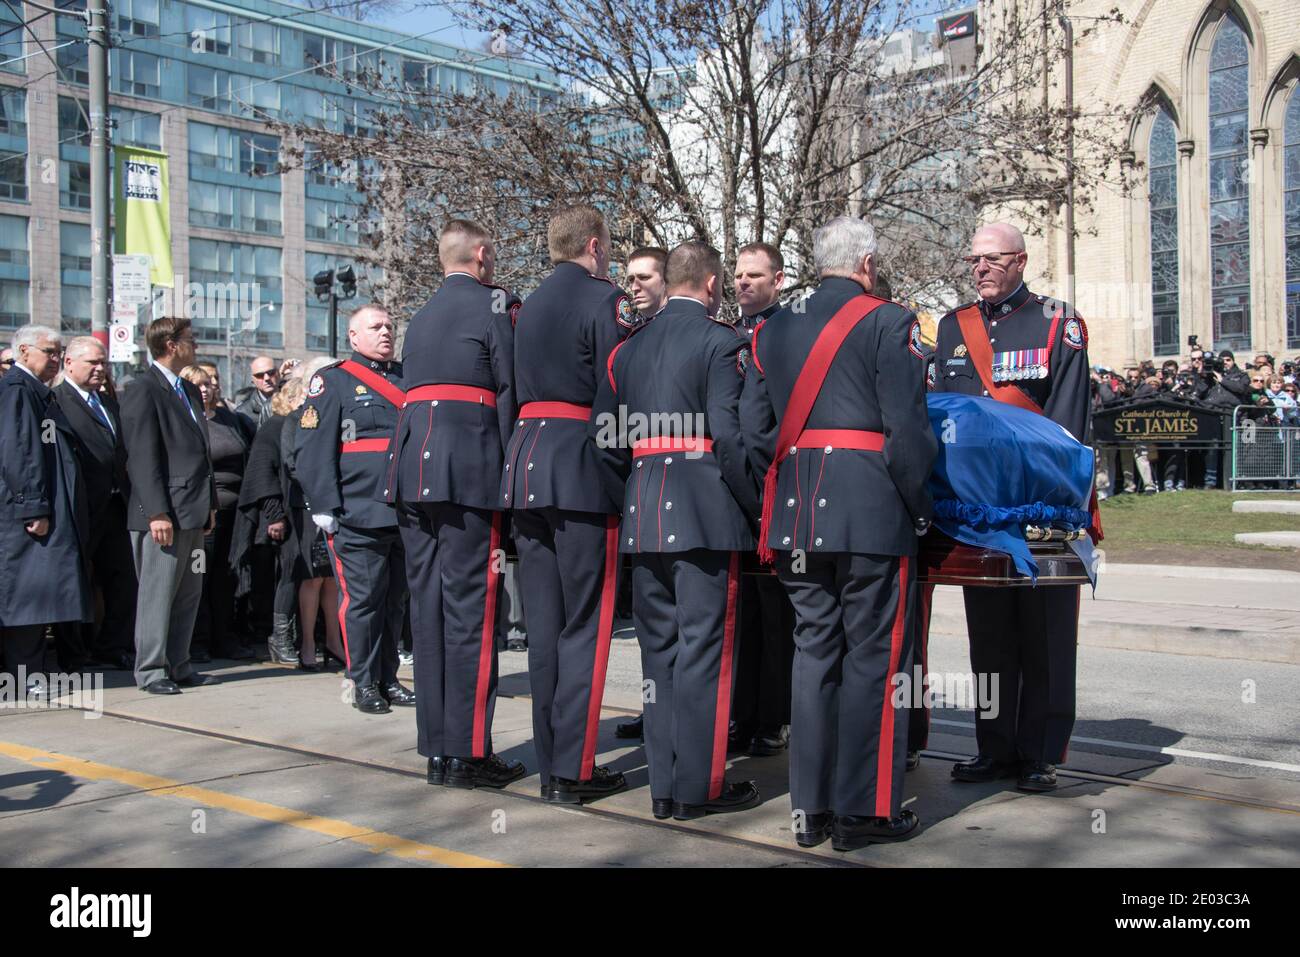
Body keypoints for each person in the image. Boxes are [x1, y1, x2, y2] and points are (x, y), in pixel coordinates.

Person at [741, 216, 935, 850]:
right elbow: (906, 433)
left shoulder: (775, 329)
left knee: (814, 653)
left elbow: (758, 431)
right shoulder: (889, 321)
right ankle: (864, 811)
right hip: (870, 510)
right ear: (868, 264)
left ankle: (811, 809)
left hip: (799, 510)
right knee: (875, 660)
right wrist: (920, 506)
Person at [591, 241, 761, 821]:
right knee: (704, 654)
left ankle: (664, 786)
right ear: (712, 284)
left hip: (645, 509)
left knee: (657, 656)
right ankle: (699, 787)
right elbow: (732, 438)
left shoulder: (628, 350)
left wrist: (632, 499)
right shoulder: (723, 343)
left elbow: (606, 441)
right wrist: (755, 506)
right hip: (706, 512)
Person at [931, 222, 1094, 793]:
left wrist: (1053, 505)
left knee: (1044, 632)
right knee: (990, 633)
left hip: (1040, 507)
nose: (980, 268)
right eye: (973, 259)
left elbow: (1069, 424)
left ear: (1020, 260)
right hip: (978, 510)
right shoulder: (952, 327)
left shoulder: (1057, 322)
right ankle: (994, 746)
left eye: (992, 259)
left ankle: (1039, 753)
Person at [387, 219, 526, 790]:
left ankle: (438, 750)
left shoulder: (419, 317)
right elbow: (510, 392)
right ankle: (468, 751)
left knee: (429, 610)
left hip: (412, 470)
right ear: (483, 254)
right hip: (468, 470)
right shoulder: (497, 306)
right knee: (472, 612)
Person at [503, 204, 634, 803]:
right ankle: (572, 770)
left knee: (545, 628)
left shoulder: (525, 307)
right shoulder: (603, 300)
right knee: (586, 624)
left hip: (526, 464)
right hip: (580, 467)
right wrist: (619, 472)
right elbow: (615, 391)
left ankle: (552, 757)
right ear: (593, 245)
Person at [296, 306, 413, 715]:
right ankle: (361, 681)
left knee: (395, 600)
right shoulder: (332, 382)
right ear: (353, 337)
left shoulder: (406, 377)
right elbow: (312, 449)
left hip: (401, 510)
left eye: (389, 326)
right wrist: (324, 505)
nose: (385, 333)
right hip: (356, 512)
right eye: (375, 327)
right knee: (362, 601)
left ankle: (388, 677)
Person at [119, 317, 218, 695]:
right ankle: (152, 670)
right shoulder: (143, 389)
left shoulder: (189, 391)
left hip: (193, 510)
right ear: (171, 345)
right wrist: (156, 512)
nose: (196, 345)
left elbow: (201, 455)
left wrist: (209, 505)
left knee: (189, 591)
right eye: (190, 340)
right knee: (158, 594)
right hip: (163, 514)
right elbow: (142, 457)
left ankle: (179, 663)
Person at [729, 240, 795, 757]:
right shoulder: (729, 336)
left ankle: (775, 716)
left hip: (773, 490)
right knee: (742, 614)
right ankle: (741, 714)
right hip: (732, 493)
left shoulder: (787, 335)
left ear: (778, 280)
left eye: (755, 275)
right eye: (738, 275)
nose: (744, 283)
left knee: (778, 615)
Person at [0, 326, 91, 695]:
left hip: (33, 509)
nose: (56, 359)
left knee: (36, 597)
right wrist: (33, 507)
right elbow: (19, 452)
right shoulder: (19, 392)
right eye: (50, 352)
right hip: (24, 515)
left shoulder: (33, 392)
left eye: (59, 353)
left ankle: (31, 673)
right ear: (24, 351)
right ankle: (23, 678)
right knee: (27, 597)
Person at [613, 246, 670, 742]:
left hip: (686, 492)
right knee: (651, 628)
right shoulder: (627, 342)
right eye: (629, 277)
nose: (633, 285)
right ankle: (654, 713)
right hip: (643, 495)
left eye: (644, 277)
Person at [53, 336, 137, 672]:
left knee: (122, 578)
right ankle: (74, 652)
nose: (100, 369)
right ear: (69, 363)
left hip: (118, 505)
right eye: (92, 362)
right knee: (76, 580)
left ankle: (112, 646)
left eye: (103, 362)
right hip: (80, 506)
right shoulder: (57, 400)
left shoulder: (109, 403)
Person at [182, 365, 256, 662]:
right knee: (200, 575)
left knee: (228, 576)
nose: (206, 389)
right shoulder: (185, 421)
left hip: (234, 512)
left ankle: (225, 638)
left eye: (210, 383)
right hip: (203, 514)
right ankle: (197, 641)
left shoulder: (230, 420)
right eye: (198, 385)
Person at [232, 376, 302, 666]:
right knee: (282, 576)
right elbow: (262, 472)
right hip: (276, 516)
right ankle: (276, 636)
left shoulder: (297, 426)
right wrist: (275, 515)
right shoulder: (275, 426)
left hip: (298, 512)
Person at [282, 358, 345, 671]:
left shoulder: (337, 413)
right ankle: (307, 643)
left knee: (331, 579)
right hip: (308, 506)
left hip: (333, 503)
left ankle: (333, 642)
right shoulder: (299, 417)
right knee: (312, 578)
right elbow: (295, 463)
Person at [236, 355, 279, 427]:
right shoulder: (242, 413)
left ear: (278, 373)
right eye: (260, 375)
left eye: (271, 372)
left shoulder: (293, 401)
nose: (266, 378)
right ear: (253, 380)